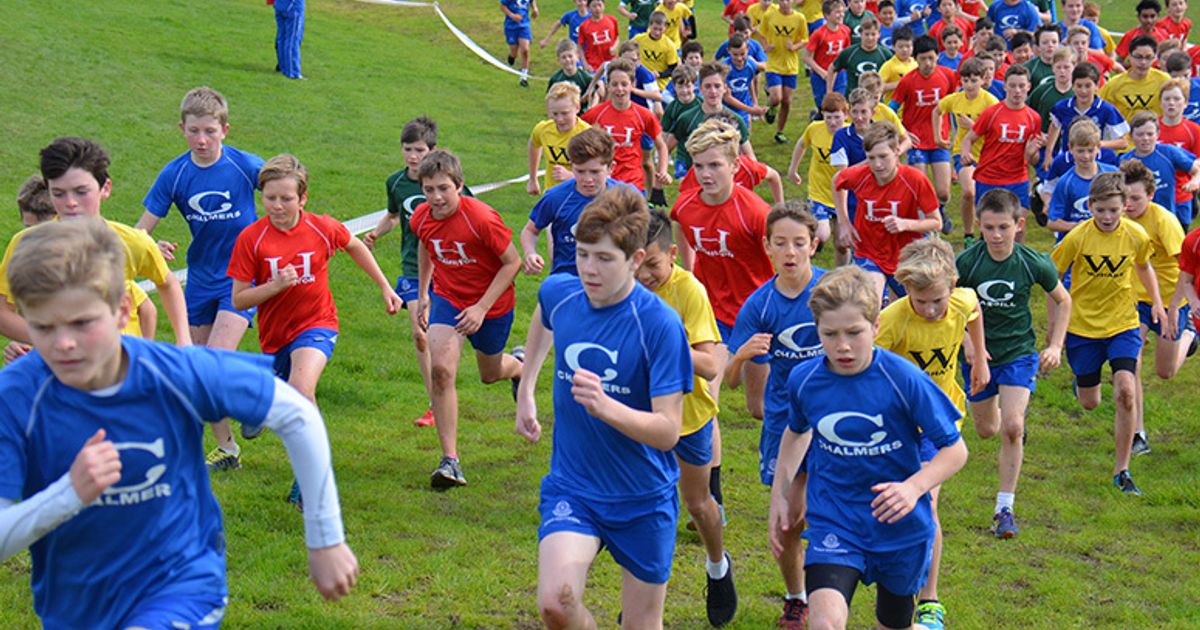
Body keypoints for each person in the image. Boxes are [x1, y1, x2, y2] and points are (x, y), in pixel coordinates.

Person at [0, 219, 359, 629]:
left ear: (123, 310)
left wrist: (325, 536)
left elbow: (296, 412)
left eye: (82, 323)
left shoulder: (175, 373)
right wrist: (68, 494)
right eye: (44, 327)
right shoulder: (15, 398)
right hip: (74, 604)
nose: (64, 343)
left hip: (181, 584)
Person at [514, 186, 692, 630]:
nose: (589, 269)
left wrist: (607, 407)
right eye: (583, 255)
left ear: (634, 259)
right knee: (556, 603)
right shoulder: (561, 293)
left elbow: (668, 430)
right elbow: (544, 316)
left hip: (643, 497)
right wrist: (527, 388)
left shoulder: (659, 326)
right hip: (574, 487)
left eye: (605, 259)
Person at [769, 265, 968, 630]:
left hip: (900, 527)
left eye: (854, 332)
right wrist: (780, 497)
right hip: (836, 519)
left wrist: (913, 488)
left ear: (876, 326)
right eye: (830, 334)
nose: (842, 345)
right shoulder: (805, 380)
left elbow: (955, 450)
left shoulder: (904, 379)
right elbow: (796, 433)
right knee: (825, 623)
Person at [228, 154, 400, 506]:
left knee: (302, 390)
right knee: (292, 398)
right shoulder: (251, 239)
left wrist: (385, 286)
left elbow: (354, 246)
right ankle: (263, 407)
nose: (277, 206)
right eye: (270, 198)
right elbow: (240, 300)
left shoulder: (322, 227)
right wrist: (275, 286)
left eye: (286, 198)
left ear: (303, 198)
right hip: (275, 337)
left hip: (317, 324)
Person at [136, 87, 263, 471]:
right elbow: (140, 232)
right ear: (182, 129)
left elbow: (288, 193)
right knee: (200, 372)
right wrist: (151, 245)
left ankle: (254, 399)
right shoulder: (175, 174)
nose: (202, 139)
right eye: (194, 131)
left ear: (225, 129)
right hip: (200, 280)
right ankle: (227, 449)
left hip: (241, 278)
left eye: (210, 131)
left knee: (215, 358)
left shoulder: (245, 165)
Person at [875, 237, 987, 630]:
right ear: (905, 289)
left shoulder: (961, 299)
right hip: (898, 424)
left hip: (940, 420)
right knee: (895, 507)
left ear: (952, 285)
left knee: (926, 503)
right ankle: (892, 582)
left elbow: (974, 310)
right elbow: (869, 366)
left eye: (937, 300)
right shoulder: (892, 321)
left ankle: (929, 599)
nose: (930, 309)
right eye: (920, 301)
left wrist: (979, 356)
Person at [635, 210, 738, 627]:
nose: (643, 276)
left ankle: (718, 566)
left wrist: (664, 343)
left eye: (653, 265)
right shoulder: (621, 287)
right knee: (648, 504)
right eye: (636, 264)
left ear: (673, 255)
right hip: (640, 414)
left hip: (689, 416)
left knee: (697, 503)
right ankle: (642, 598)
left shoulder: (689, 290)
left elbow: (711, 366)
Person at [726, 202, 826, 630]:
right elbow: (729, 381)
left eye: (799, 243)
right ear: (766, 246)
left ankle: (833, 590)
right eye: (780, 243)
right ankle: (796, 598)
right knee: (789, 522)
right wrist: (741, 357)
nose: (790, 252)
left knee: (830, 514)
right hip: (785, 423)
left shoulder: (830, 293)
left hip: (833, 420)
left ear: (814, 245)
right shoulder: (760, 305)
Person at [0, 137, 192, 353]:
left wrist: (183, 339)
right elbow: (3, 312)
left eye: (81, 192)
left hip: (120, 362)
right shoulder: (27, 245)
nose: (70, 202)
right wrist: (50, 339)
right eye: (58, 193)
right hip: (62, 364)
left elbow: (167, 283)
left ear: (105, 188)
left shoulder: (132, 242)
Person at [957, 188, 1071, 539]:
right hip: (978, 356)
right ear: (979, 225)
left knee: (1012, 427)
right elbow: (949, 306)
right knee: (986, 429)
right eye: (989, 227)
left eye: (1003, 227)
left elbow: (1064, 300)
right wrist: (969, 345)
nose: (996, 235)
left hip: (1018, 353)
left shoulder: (1033, 262)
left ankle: (1004, 509)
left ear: (1019, 225)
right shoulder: (967, 263)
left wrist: (1055, 345)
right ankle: (1008, 417)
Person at [407, 151, 524, 489]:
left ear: (459, 185)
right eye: (429, 190)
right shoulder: (421, 217)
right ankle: (450, 461)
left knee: (490, 374)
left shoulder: (482, 218)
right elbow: (426, 246)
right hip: (448, 298)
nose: (436, 197)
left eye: (443, 188)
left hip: (492, 304)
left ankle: (518, 366)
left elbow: (512, 263)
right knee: (441, 371)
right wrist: (425, 292)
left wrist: (481, 308)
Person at [1050, 172, 1165, 496]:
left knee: (1126, 390)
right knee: (1090, 402)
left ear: (1124, 206)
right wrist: (1055, 330)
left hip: (1122, 323)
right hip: (1082, 327)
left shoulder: (1135, 234)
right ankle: (1083, 383)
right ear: (1090, 206)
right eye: (1100, 210)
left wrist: (1157, 302)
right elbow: (1052, 278)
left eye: (1113, 210)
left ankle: (1122, 471)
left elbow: (1143, 266)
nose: (1107, 217)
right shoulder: (1077, 238)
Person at [365, 117, 471, 428]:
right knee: (420, 334)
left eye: (420, 150)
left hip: (448, 268)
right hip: (413, 267)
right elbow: (393, 216)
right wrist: (376, 233)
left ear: (432, 150)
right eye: (408, 149)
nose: (413, 156)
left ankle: (445, 386)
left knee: (451, 340)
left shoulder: (448, 184)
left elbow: (469, 218)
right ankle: (434, 403)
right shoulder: (396, 183)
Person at [6, 176, 158, 362]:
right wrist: (21, 345)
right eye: (28, 229)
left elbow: (147, 308)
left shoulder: (94, 264)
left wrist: (144, 352)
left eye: (45, 230)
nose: (38, 239)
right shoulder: (28, 267)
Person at [1119, 159, 1195, 458]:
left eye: (1136, 198)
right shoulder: (1118, 219)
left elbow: (1186, 270)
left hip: (1170, 298)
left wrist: (1173, 307)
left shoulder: (1164, 221)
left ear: (1150, 195)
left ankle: (1190, 336)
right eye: (1125, 198)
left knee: (1165, 372)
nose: (1128, 205)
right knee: (1131, 363)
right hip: (1135, 300)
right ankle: (1138, 433)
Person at [834, 121, 942, 303]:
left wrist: (906, 224)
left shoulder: (915, 180)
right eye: (871, 158)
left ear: (897, 151)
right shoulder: (861, 176)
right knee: (869, 303)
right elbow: (837, 181)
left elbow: (936, 222)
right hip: (869, 252)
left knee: (909, 307)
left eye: (883, 157)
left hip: (905, 255)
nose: (877, 164)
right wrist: (844, 222)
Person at [521, 128, 622, 276]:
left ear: (611, 168)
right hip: (568, 279)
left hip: (611, 280)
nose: (588, 179)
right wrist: (530, 253)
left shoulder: (625, 197)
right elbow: (530, 230)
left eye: (595, 172)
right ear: (571, 165)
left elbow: (643, 234)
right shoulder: (556, 197)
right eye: (580, 171)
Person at [960, 65, 1045, 229]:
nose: (1017, 91)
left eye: (1021, 86)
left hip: (1017, 178)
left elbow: (1034, 160)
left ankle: (1016, 248)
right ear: (1005, 86)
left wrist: (1030, 153)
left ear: (1028, 86)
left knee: (1017, 228)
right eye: (1012, 86)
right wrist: (965, 153)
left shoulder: (1033, 118)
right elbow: (968, 139)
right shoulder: (992, 113)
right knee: (989, 228)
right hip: (989, 177)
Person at [891, 34, 958, 233]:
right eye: (923, 59)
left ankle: (940, 211)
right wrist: (903, 133)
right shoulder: (907, 81)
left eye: (931, 58)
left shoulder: (948, 76)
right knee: (919, 189)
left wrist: (955, 134)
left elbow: (955, 105)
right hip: (917, 142)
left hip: (939, 141)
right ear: (916, 59)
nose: (928, 63)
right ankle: (925, 228)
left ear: (938, 56)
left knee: (943, 192)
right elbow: (891, 109)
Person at [582, 58, 670, 193]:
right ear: (608, 86)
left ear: (633, 85)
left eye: (624, 84)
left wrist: (663, 171)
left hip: (633, 183)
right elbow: (575, 137)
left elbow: (661, 146)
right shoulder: (596, 114)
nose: (620, 89)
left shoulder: (643, 115)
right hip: (603, 183)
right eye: (614, 84)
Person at [936, 57, 999, 240]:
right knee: (969, 192)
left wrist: (974, 126)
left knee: (986, 196)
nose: (969, 85)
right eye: (965, 80)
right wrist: (938, 137)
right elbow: (937, 111)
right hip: (962, 152)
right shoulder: (956, 99)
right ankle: (968, 234)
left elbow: (996, 132)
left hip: (986, 154)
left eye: (973, 80)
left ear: (982, 80)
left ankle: (985, 233)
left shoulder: (990, 102)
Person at [788, 92, 849, 244]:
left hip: (843, 194)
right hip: (819, 193)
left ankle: (839, 264)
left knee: (842, 243)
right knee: (822, 235)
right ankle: (808, 242)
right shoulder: (814, 129)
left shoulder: (850, 134)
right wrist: (793, 169)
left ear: (846, 115)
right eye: (828, 117)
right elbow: (802, 144)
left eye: (837, 117)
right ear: (822, 115)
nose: (833, 122)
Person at [1043, 62, 1130, 168]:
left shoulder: (1106, 110)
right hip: (1068, 162)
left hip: (1096, 162)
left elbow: (1123, 143)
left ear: (1097, 86)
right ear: (1072, 86)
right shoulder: (1062, 107)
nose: (1083, 91)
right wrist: (1048, 155)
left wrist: (1098, 144)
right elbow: (1054, 126)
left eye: (1088, 86)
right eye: (1079, 86)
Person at [528, 83, 592, 197]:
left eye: (564, 113)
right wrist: (533, 179)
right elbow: (534, 144)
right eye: (555, 114)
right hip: (552, 194)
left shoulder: (587, 135)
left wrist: (571, 176)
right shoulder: (543, 129)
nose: (559, 119)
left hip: (579, 195)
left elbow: (599, 172)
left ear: (577, 108)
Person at [761, 0, 810, 144]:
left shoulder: (799, 18)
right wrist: (765, 46)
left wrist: (794, 47)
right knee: (777, 98)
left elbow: (804, 39)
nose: (784, 3)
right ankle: (771, 105)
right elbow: (761, 32)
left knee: (787, 101)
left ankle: (779, 132)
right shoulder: (770, 15)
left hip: (790, 65)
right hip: (773, 63)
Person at [1100, 35, 1171, 124]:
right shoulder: (1114, 84)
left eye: (1148, 57)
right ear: (1129, 57)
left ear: (1154, 58)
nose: (1143, 62)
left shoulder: (1164, 81)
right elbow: (1099, 108)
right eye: (1138, 57)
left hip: (1155, 131)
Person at [830, 14, 893, 96]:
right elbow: (832, 68)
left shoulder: (885, 54)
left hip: (875, 100)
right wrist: (829, 91)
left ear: (879, 35)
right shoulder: (849, 53)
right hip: (852, 100)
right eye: (866, 34)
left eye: (873, 34)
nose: (870, 38)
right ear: (861, 34)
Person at [805, 0, 852, 104]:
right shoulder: (819, 34)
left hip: (839, 74)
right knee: (823, 104)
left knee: (839, 103)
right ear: (827, 15)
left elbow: (846, 53)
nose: (841, 15)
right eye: (837, 12)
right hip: (821, 75)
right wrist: (821, 72)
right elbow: (806, 57)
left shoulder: (846, 30)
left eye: (842, 12)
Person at [633, 12, 680, 90]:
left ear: (665, 28)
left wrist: (660, 74)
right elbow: (627, 53)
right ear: (649, 25)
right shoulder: (638, 39)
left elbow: (673, 68)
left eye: (660, 29)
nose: (657, 32)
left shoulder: (669, 45)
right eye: (655, 28)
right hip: (639, 81)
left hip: (659, 85)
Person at [547, 40, 596, 109]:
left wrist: (591, 109)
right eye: (563, 57)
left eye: (570, 56)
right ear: (559, 60)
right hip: (562, 113)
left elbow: (595, 95)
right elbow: (550, 99)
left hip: (581, 113)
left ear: (577, 57)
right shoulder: (555, 79)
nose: (567, 59)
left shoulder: (585, 78)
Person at [501, 0, 540, 86]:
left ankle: (523, 77)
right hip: (511, 26)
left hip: (524, 25)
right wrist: (512, 16)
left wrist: (535, 9)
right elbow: (502, 6)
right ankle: (512, 56)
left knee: (525, 50)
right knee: (514, 52)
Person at [579, 0, 620, 73]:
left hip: (612, 61)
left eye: (599, 5)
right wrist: (585, 64)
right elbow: (580, 47)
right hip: (594, 64)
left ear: (604, 5)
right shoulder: (584, 26)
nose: (597, 8)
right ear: (588, 8)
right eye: (594, 6)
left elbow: (617, 37)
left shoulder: (612, 20)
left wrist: (615, 47)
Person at [878, 25, 916, 102]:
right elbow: (877, 87)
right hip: (893, 107)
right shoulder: (889, 66)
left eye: (908, 46)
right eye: (900, 47)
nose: (904, 50)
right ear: (893, 47)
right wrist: (898, 84)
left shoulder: (916, 63)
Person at [274, 0, 306, 79]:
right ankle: (293, 72)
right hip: (292, 7)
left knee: (282, 38)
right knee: (292, 39)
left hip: (280, 5)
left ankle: (284, 67)